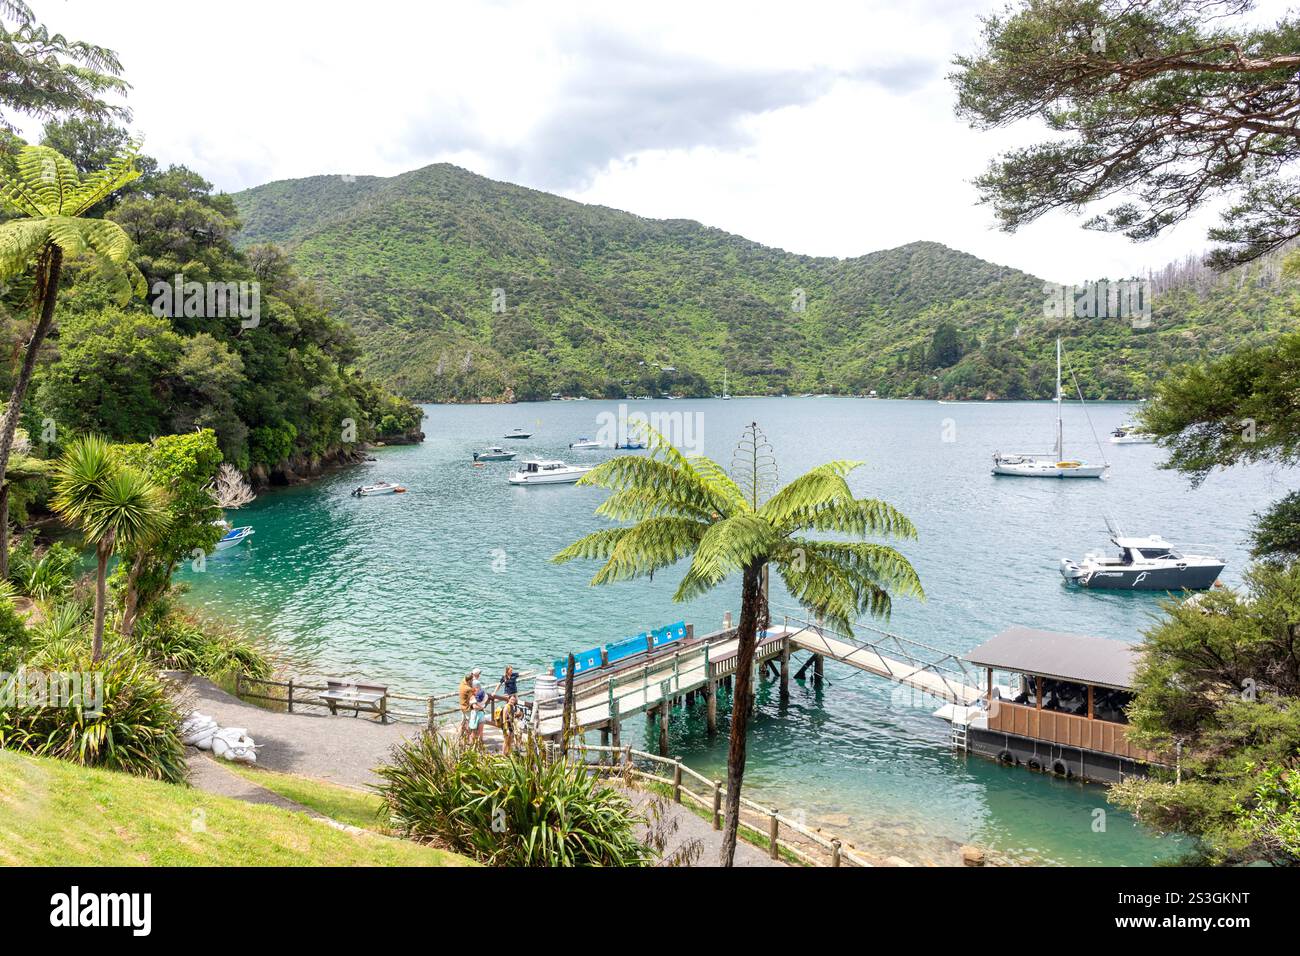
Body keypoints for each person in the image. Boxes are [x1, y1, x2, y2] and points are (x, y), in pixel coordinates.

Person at [467, 679, 488, 746]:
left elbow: (474, 706)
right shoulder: (484, 694)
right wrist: (482, 708)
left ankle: (472, 745)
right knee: (480, 731)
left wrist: (479, 707)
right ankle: (480, 745)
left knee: (473, 731)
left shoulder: (472, 695)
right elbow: (476, 705)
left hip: (475, 714)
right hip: (481, 713)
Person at [458, 671, 474, 737]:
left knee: (463, 722)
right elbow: (473, 696)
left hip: (462, 706)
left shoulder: (462, 684)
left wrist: (470, 674)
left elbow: (464, 678)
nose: (473, 681)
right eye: (472, 680)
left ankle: (460, 736)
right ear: (469, 680)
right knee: (469, 723)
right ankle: (468, 737)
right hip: (467, 708)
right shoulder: (469, 689)